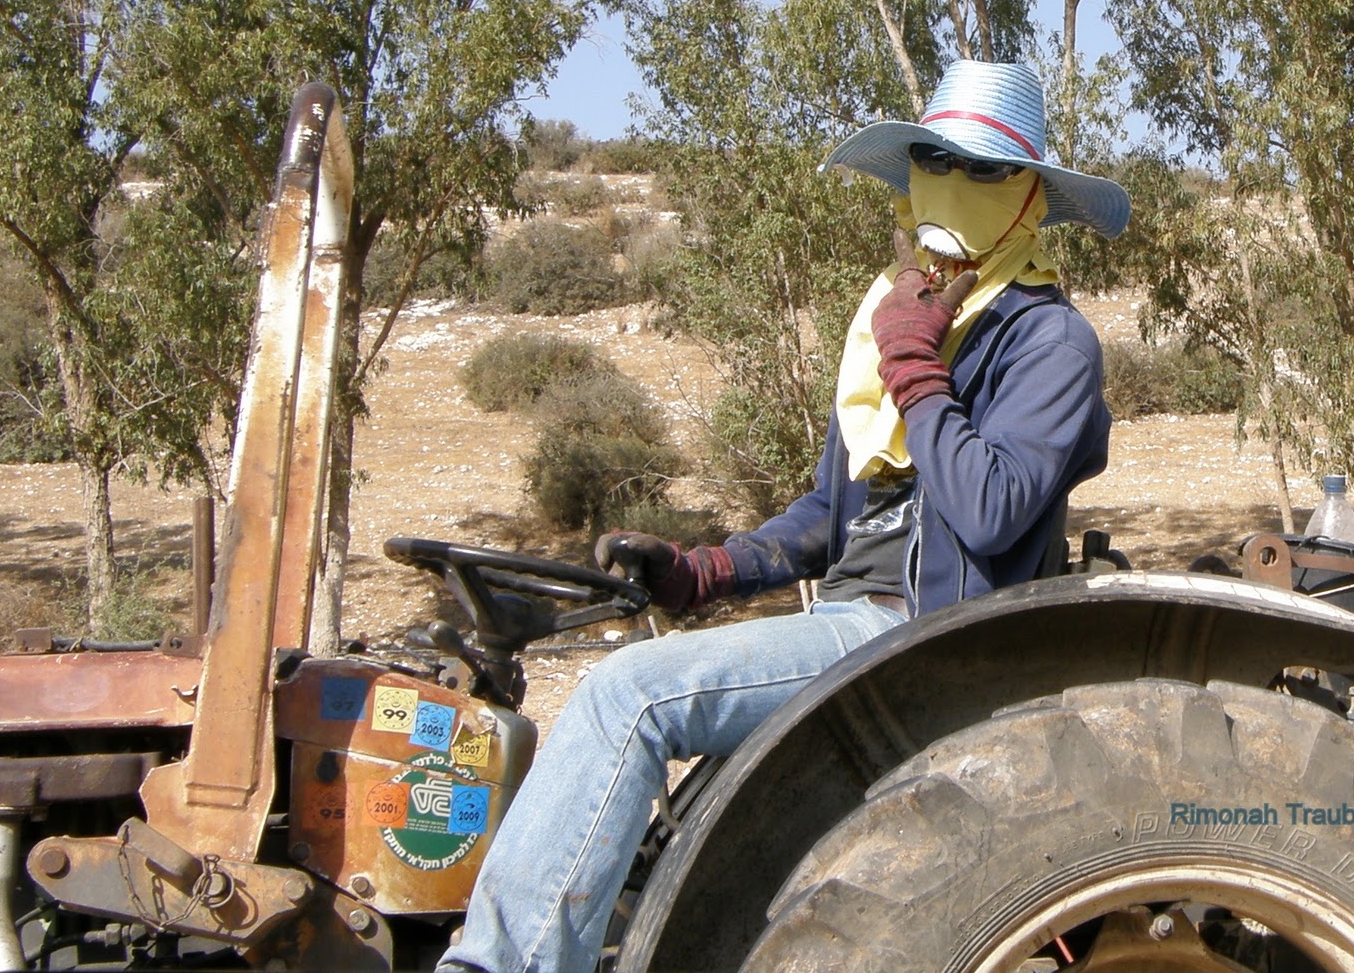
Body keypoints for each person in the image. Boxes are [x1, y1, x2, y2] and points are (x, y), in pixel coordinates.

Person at [438, 60, 1131, 973]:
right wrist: (709, 572)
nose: (951, 186)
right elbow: (831, 510)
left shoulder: (1049, 340)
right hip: (850, 618)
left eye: (986, 170)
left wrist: (917, 371)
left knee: (626, 698)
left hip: (927, 635)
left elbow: (992, 509)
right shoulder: (909, 317)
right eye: (932, 159)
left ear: (1033, 197)